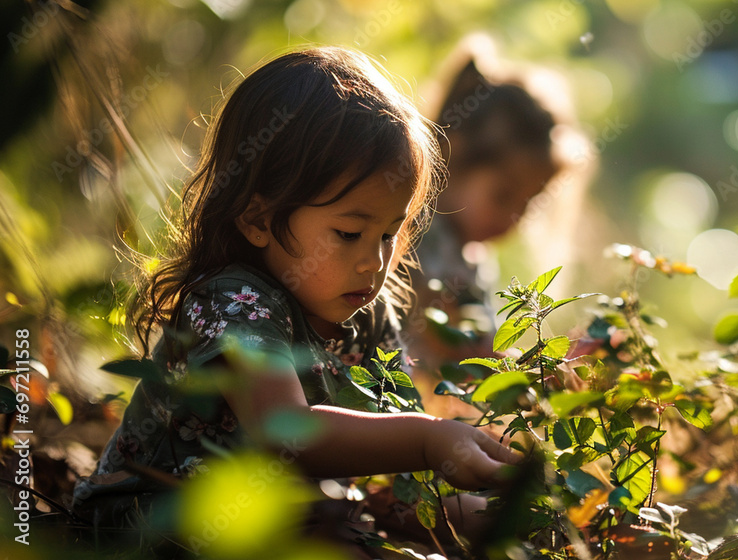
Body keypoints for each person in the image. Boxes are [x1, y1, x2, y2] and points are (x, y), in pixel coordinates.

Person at [72, 46, 518, 531]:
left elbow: (395, 497)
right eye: (349, 233)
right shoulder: (231, 302)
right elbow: (284, 433)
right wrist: (429, 439)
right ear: (258, 218)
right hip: (153, 525)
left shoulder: (367, 318)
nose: (375, 260)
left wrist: (510, 516)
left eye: (390, 233)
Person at [406, 36, 589, 376]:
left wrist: (555, 365)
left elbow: (482, 354)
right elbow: (452, 346)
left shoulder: (473, 263)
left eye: (529, 203)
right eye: (503, 196)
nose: (514, 217)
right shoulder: (405, 232)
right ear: (453, 153)